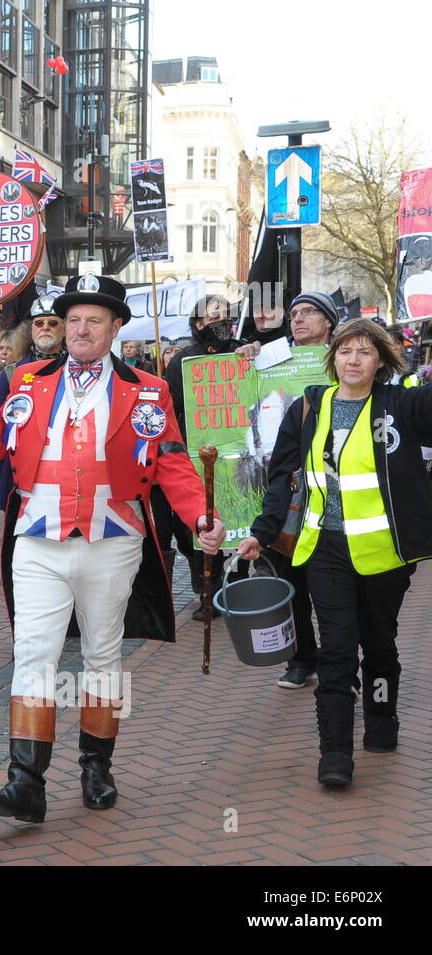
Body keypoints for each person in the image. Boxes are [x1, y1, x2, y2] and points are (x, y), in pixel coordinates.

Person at [0, 274, 224, 823]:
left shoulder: (148, 388)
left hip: (112, 538)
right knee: (34, 653)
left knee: (103, 655)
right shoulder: (24, 379)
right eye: (72, 320)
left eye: (93, 321)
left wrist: (201, 514)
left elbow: (172, 462)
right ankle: (25, 784)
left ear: (115, 327)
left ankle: (96, 766)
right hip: (37, 536)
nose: (79, 329)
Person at [236, 319, 432, 788]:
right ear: (334, 358)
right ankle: (335, 753)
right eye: (345, 351)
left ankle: (382, 722)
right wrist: (263, 532)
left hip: (387, 553)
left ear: (381, 361)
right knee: (337, 650)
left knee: (379, 645)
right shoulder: (310, 406)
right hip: (324, 549)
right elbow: (282, 475)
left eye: (365, 352)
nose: (353, 360)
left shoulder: (401, 404)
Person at [234, 291, 342, 688]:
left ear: (328, 322)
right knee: (289, 574)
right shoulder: (272, 355)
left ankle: (340, 663)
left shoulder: (347, 357)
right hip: (286, 484)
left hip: (336, 487)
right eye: (294, 314)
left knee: (336, 588)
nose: (298, 320)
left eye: (309, 312)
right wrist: (244, 356)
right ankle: (301, 659)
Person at [0, 294, 63, 585]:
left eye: (52, 322)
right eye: (39, 323)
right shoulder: (12, 375)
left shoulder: (79, 371)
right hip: (23, 485)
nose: (45, 328)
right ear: (31, 329)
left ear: (63, 327)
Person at [163, 294, 242, 619]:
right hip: (195, 457)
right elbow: (171, 409)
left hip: (236, 456)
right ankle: (204, 588)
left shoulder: (244, 350)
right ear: (197, 324)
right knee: (193, 529)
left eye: (225, 316)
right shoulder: (182, 360)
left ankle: (230, 588)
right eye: (212, 317)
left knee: (237, 521)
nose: (219, 322)